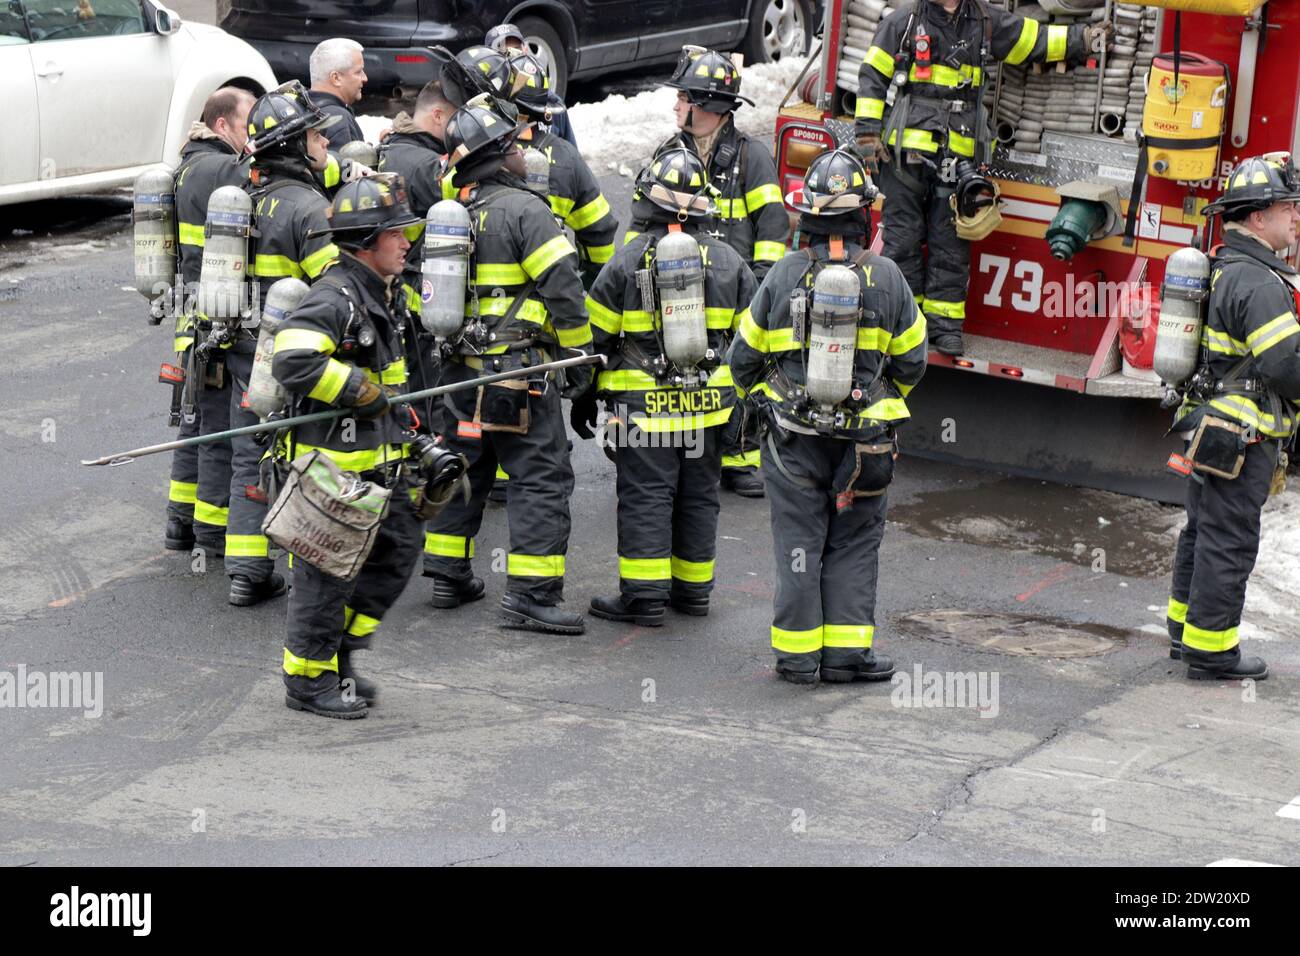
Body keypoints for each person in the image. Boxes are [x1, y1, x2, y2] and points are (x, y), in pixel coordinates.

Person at [728, 148, 927, 685]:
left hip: (792, 441)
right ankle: (845, 657)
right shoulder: (887, 277)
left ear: (809, 217)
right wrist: (876, 400)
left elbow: (741, 359)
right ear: (864, 216)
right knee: (854, 545)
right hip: (864, 448)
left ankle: (796, 659)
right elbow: (913, 362)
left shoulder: (784, 273)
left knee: (798, 544)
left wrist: (764, 400)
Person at [421, 100, 594, 633]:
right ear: (498, 156)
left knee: (464, 465)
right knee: (540, 477)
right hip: (518, 377)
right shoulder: (527, 211)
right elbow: (565, 292)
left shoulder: (450, 216)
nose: (523, 150)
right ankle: (531, 595)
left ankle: (448, 576)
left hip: (458, 373)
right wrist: (580, 364)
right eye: (514, 144)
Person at [854, 0, 1109, 355]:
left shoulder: (986, 22)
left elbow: (1031, 39)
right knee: (902, 243)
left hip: (957, 162)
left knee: (951, 244)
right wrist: (867, 135)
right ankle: (905, 326)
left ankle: (944, 328)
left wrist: (1084, 39)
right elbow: (872, 78)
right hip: (905, 162)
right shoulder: (904, 23)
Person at [271, 174, 426, 719]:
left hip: (383, 468)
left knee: (398, 554)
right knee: (326, 578)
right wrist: (358, 389)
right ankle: (307, 680)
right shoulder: (335, 296)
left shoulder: (385, 295)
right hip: (334, 473)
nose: (407, 241)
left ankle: (342, 653)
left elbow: (402, 382)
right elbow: (291, 360)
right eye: (395, 233)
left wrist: (418, 436)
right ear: (366, 241)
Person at [584, 147, 754, 625]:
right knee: (699, 496)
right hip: (708, 411)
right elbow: (750, 342)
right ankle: (693, 592)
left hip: (643, 415)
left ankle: (643, 598)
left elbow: (593, 339)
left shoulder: (626, 261)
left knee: (646, 495)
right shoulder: (729, 261)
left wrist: (583, 394)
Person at [1164, 154, 1300, 682]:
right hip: (1242, 438)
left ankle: (1185, 633)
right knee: (1229, 539)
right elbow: (1288, 368)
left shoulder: (1222, 265)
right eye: (1289, 207)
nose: (1296, 217)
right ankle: (1212, 650)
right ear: (1258, 217)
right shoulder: (1260, 283)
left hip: (1210, 428)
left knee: (1202, 531)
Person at [630, 47, 788, 498]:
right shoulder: (669, 154)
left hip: (734, 292)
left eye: (683, 97)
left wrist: (759, 287)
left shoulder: (750, 157)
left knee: (736, 372)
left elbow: (772, 226)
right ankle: (680, 451)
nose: (676, 105)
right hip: (676, 287)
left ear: (706, 105)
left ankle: (739, 459)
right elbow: (641, 222)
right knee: (677, 370)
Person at [221, 82, 340, 607]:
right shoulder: (308, 208)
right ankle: (308, 568)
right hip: (293, 356)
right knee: (304, 455)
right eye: (316, 137)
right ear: (294, 145)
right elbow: (333, 289)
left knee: (248, 454)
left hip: (242, 348)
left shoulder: (244, 199)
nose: (325, 146)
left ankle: (247, 569)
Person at [164, 86, 255, 556]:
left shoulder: (186, 166)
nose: (253, 134)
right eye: (248, 125)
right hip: (218, 320)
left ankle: (181, 524)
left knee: (195, 426)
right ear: (223, 125)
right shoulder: (222, 169)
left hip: (192, 319)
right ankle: (213, 537)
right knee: (221, 431)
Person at [507, 50, 615, 287]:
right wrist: (590, 280)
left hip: (473, 316)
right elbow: (600, 227)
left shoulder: (472, 152)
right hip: (549, 303)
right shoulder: (566, 158)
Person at [484, 22, 578, 147]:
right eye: (504, 53)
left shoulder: (551, 102)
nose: (513, 57)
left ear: (525, 50)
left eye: (517, 49)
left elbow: (572, 155)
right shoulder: (487, 108)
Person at [306, 37, 368, 149]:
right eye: (358, 72)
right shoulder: (338, 120)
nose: (365, 78)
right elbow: (345, 165)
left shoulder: (301, 109)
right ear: (336, 78)